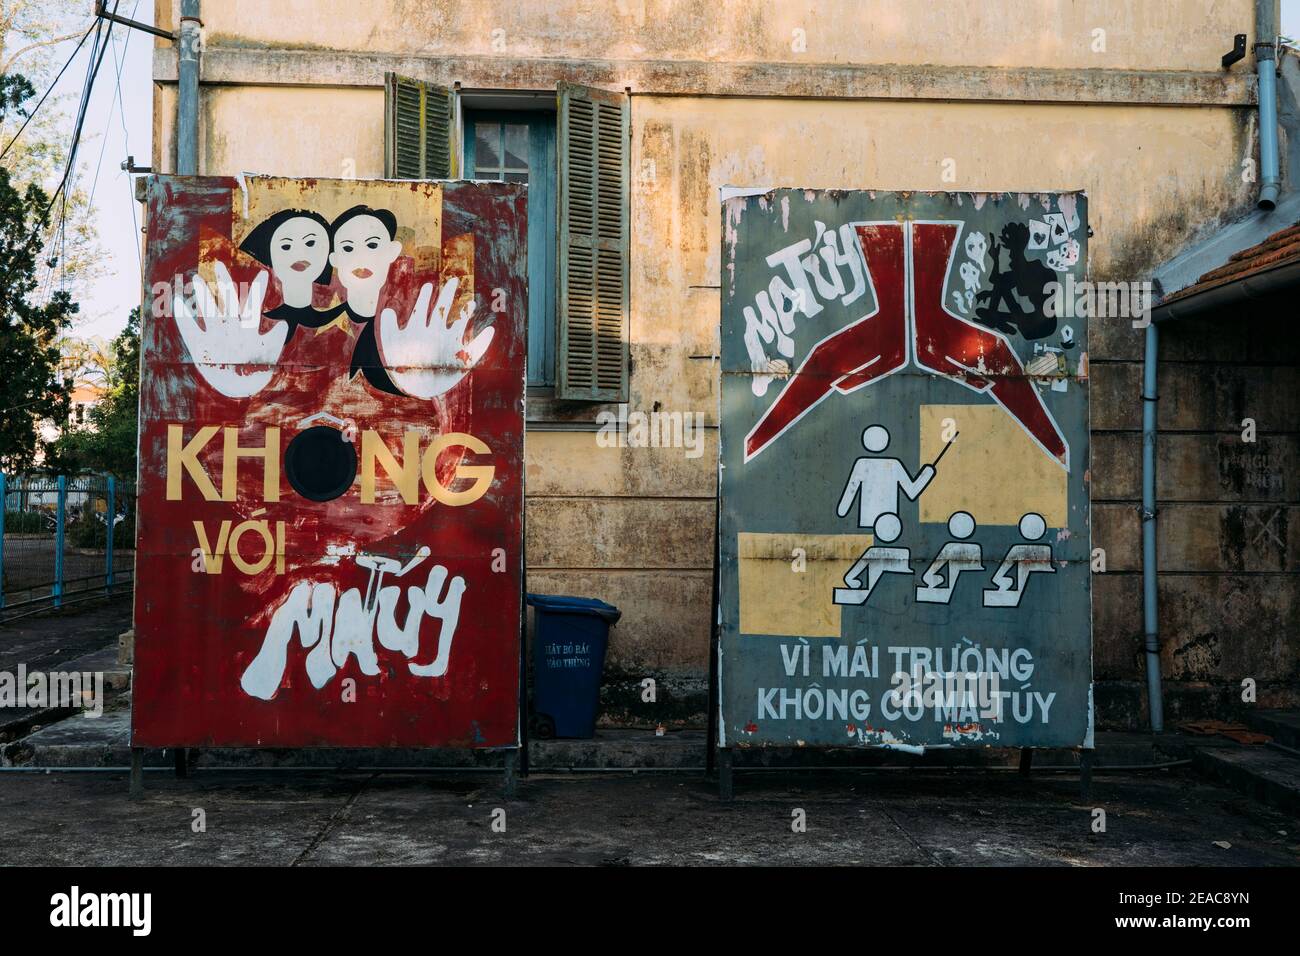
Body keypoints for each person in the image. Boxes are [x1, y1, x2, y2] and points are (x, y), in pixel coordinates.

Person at [238, 209, 346, 336]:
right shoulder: (256, 322)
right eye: (286, 246)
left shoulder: (340, 318)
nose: (299, 254)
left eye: (310, 243)